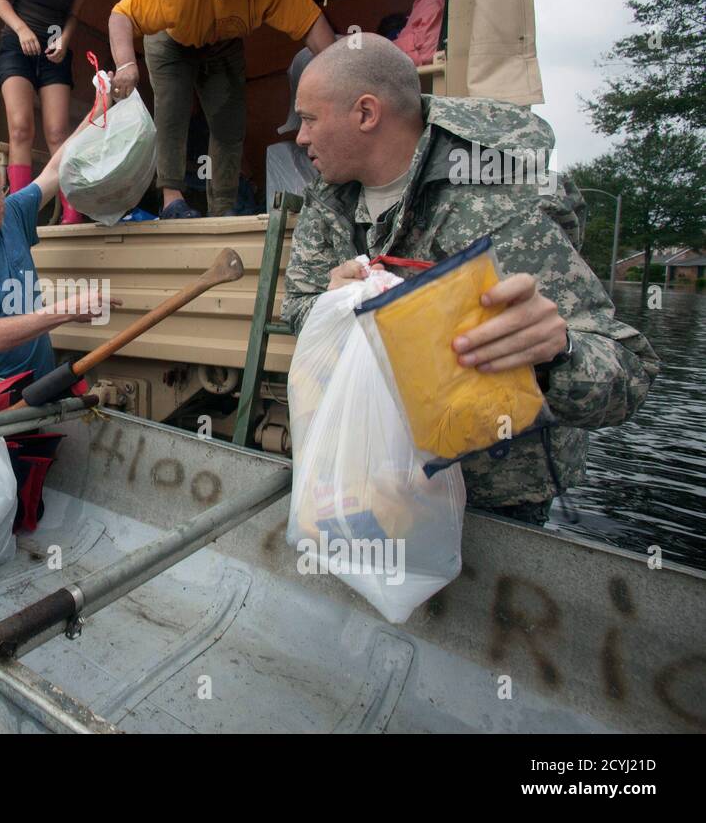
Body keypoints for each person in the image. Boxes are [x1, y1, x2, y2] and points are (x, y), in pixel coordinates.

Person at [282, 33, 659, 523]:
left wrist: (555, 353)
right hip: (376, 475)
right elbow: (299, 306)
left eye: (309, 119)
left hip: (492, 497)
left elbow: (627, 376)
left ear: (366, 114)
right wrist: (332, 306)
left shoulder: (501, 195)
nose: (300, 137)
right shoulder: (327, 198)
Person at [107, 0, 335, 218]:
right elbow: (121, 14)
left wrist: (344, 74)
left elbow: (311, 24)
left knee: (230, 122)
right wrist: (126, 64)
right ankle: (172, 200)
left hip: (222, 42)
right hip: (172, 39)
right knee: (173, 107)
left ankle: (224, 209)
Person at [0, 135, 121, 381]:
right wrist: (67, 310)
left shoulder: (11, 215)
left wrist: (101, 107)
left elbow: (54, 170)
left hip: (38, 389)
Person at [0, 0, 110, 225]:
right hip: (17, 46)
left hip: (54, 54)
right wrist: (23, 30)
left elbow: (73, 15)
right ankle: (20, 216)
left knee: (59, 132)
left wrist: (65, 40)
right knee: (20, 129)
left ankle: (71, 215)